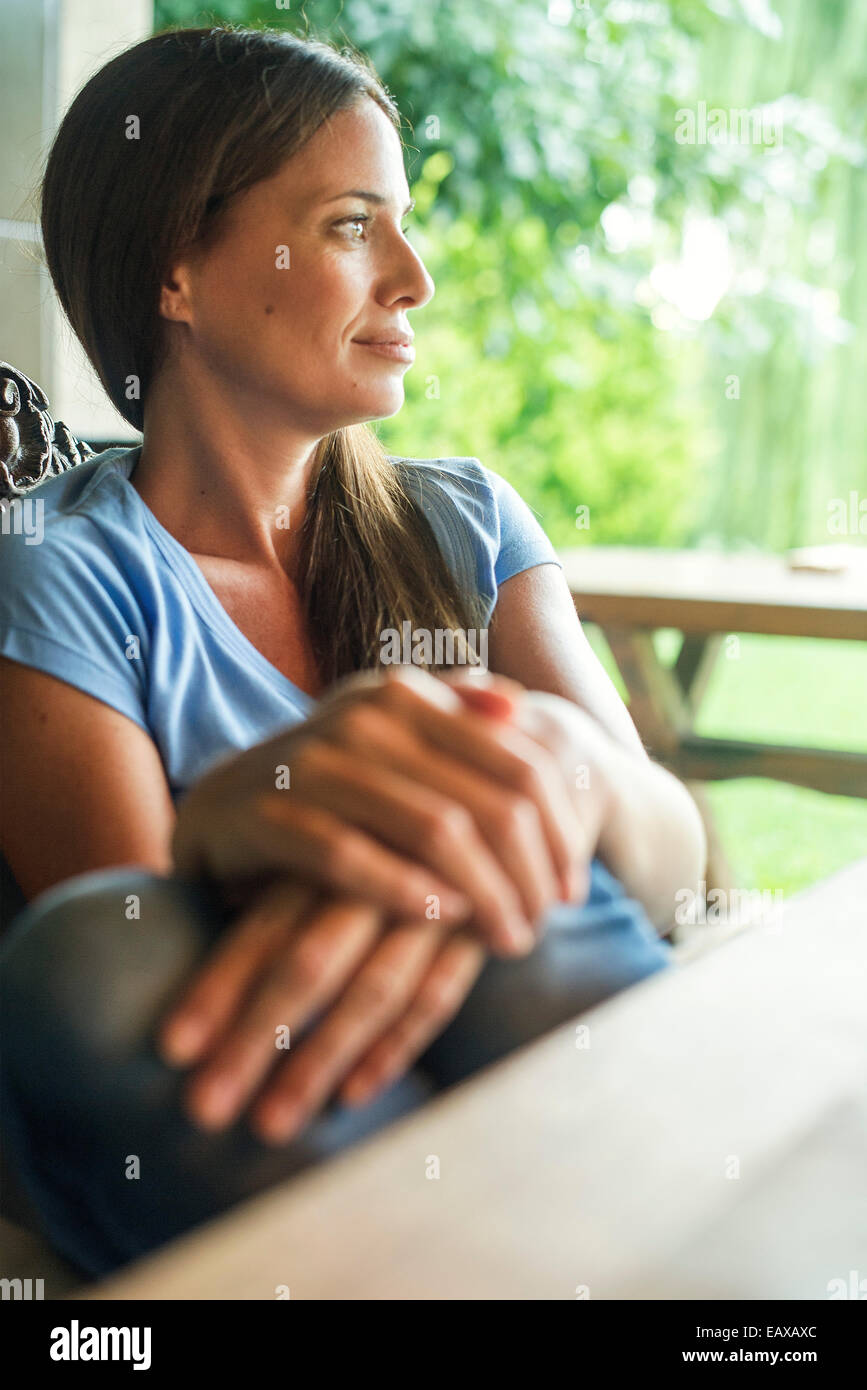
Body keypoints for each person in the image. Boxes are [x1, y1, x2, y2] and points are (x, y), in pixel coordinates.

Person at [0, 26, 705, 1281]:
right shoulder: (60, 574)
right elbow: (147, 949)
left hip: (509, 1029)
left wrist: (560, 768)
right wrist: (268, 810)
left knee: (518, 901)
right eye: (349, 226)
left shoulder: (467, 521)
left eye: (404, 223)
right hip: (275, 1093)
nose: (416, 276)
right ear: (179, 273)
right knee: (107, 964)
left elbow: (663, 859)